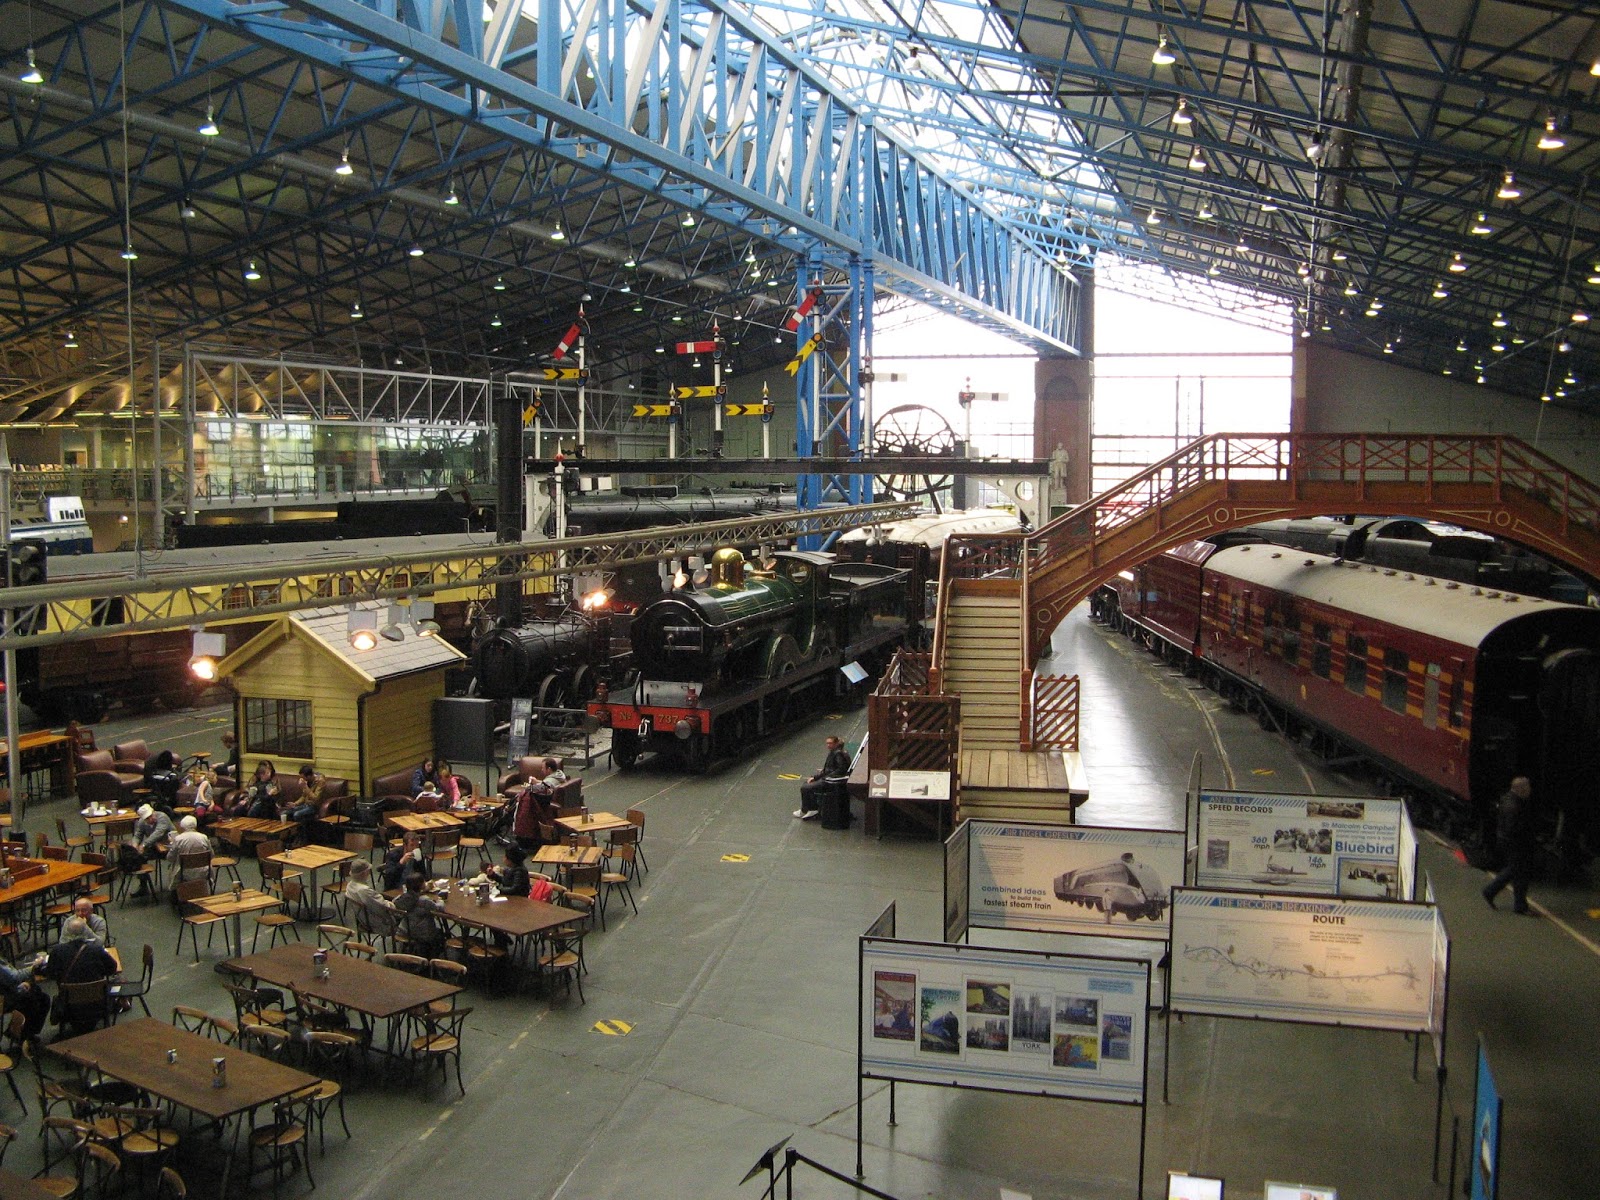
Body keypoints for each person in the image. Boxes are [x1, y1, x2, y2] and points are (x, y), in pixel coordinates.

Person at [40, 916, 120, 1033]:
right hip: (97, 1003)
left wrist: (38, 967)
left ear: (67, 932)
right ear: (85, 931)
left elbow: (51, 974)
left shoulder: (58, 951)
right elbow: (112, 968)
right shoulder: (96, 949)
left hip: (69, 1006)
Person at [1483, 776, 1538, 915]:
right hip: (1515, 844)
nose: (1530, 790)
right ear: (1521, 789)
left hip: (1509, 842)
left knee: (1515, 870)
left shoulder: (1509, 800)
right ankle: (1519, 905)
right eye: (1527, 787)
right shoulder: (1514, 806)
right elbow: (1513, 828)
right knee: (1519, 873)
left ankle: (1492, 892)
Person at [794, 735, 851, 820]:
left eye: (830, 743)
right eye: (827, 743)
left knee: (805, 787)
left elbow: (840, 769)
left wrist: (822, 777)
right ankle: (809, 809)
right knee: (808, 784)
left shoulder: (837, 754)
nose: (828, 745)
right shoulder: (837, 752)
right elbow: (830, 769)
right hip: (831, 778)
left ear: (835, 744)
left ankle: (809, 809)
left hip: (831, 781)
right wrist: (817, 777)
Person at [392, 872, 445, 958]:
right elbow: (439, 909)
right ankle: (434, 956)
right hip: (421, 933)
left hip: (404, 930)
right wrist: (440, 900)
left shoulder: (402, 898)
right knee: (440, 933)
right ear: (422, 885)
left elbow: (395, 902)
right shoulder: (424, 901)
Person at [343, 859, 397, 939]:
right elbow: (384, 908)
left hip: (363, 920)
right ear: (364, 873)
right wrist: (393, 904)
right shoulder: (364, 891)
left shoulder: (350, 885)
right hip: (379, 924)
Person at [165, 816, 213, 888]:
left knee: (172, 866)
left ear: (182, 826)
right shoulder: (204, 837)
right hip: (203, 871)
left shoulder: (178, 839)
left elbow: (170, 858)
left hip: (184, 872)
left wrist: (172, 844)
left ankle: (177, 893)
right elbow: (211, 855)